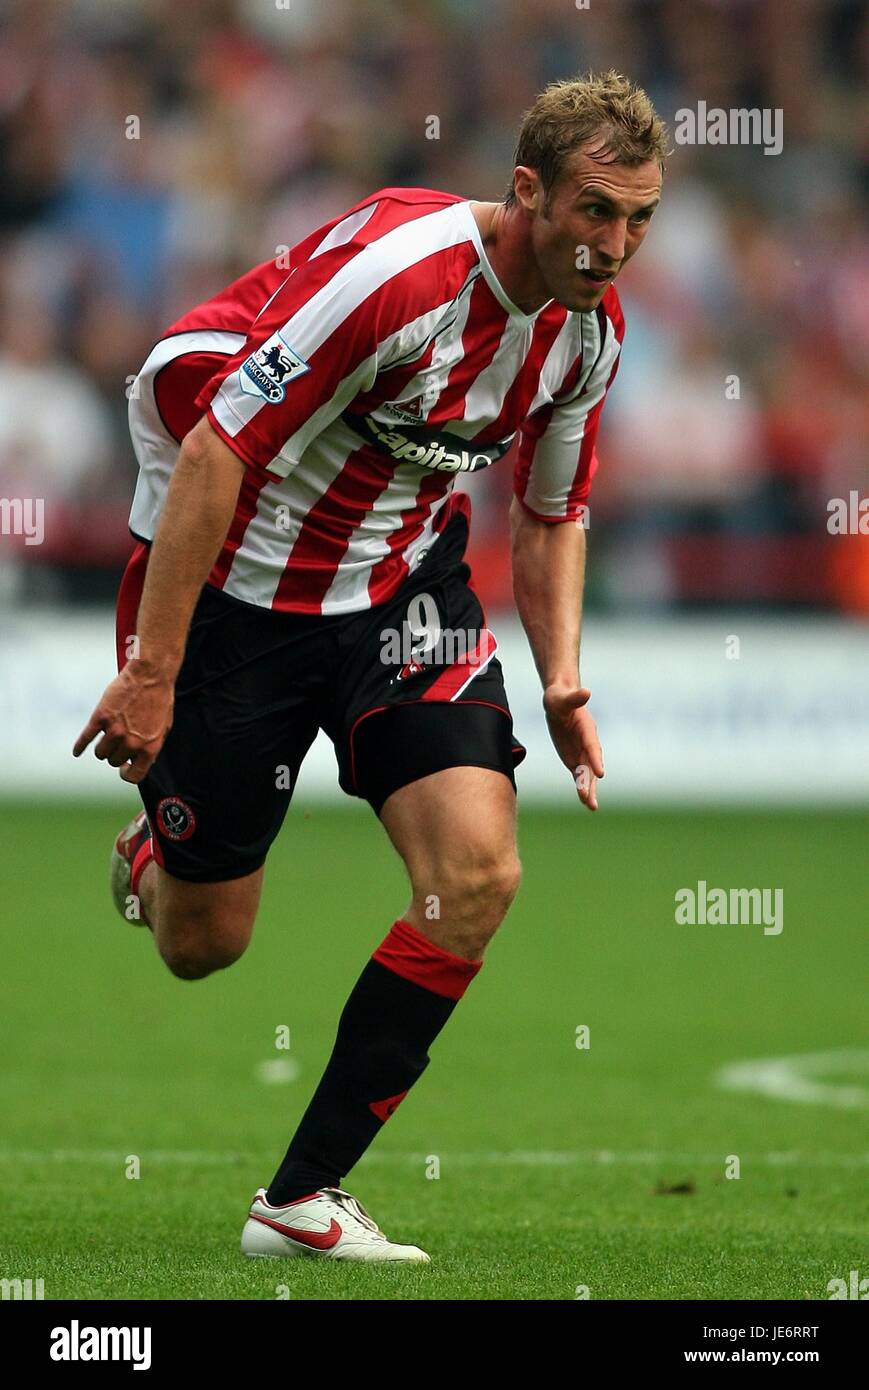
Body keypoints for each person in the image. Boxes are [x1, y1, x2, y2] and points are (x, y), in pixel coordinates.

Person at [74, 70, 665, 1263]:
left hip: (404, 591)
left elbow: (550, 513)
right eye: (595, 212)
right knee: (204, 943)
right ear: (525, 192)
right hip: (241, 590)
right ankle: (161, 854)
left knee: (479, 874)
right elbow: (211, 451)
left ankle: (300, 1197)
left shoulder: (585, 338)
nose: (614, 247)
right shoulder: (398, 279)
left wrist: (559, 680)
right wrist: (152, 667)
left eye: (639, 219)